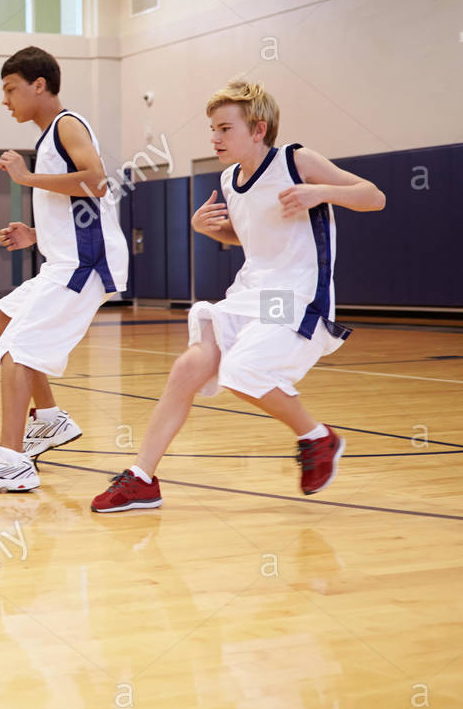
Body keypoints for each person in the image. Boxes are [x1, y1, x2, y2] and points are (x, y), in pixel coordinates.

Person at [90, 78, 386, 513]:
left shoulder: (296, 161)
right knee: (187, 370)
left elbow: (373, 197)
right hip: (251, 292)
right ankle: (141, 479)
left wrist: (320, 192)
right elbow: (251, 241)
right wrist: (207, 229)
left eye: (225, 128)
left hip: (296, 295)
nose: (215, 137)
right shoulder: (230, 179)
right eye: (213, 128)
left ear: (258, 129)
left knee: (243, 371)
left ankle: (317, 437)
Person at [0, 46, 128, 493]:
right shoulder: (49, 135)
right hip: (64, 258)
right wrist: (36, 233)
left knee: (18, 346)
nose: (6, 101)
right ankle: (49, 420)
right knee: (2, 317)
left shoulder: (67, 124)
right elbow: (76, 200)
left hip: (84, 263)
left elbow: (97, 180)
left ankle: (11, 462)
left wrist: (26, 180)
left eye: (10, 90)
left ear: (39, 85)